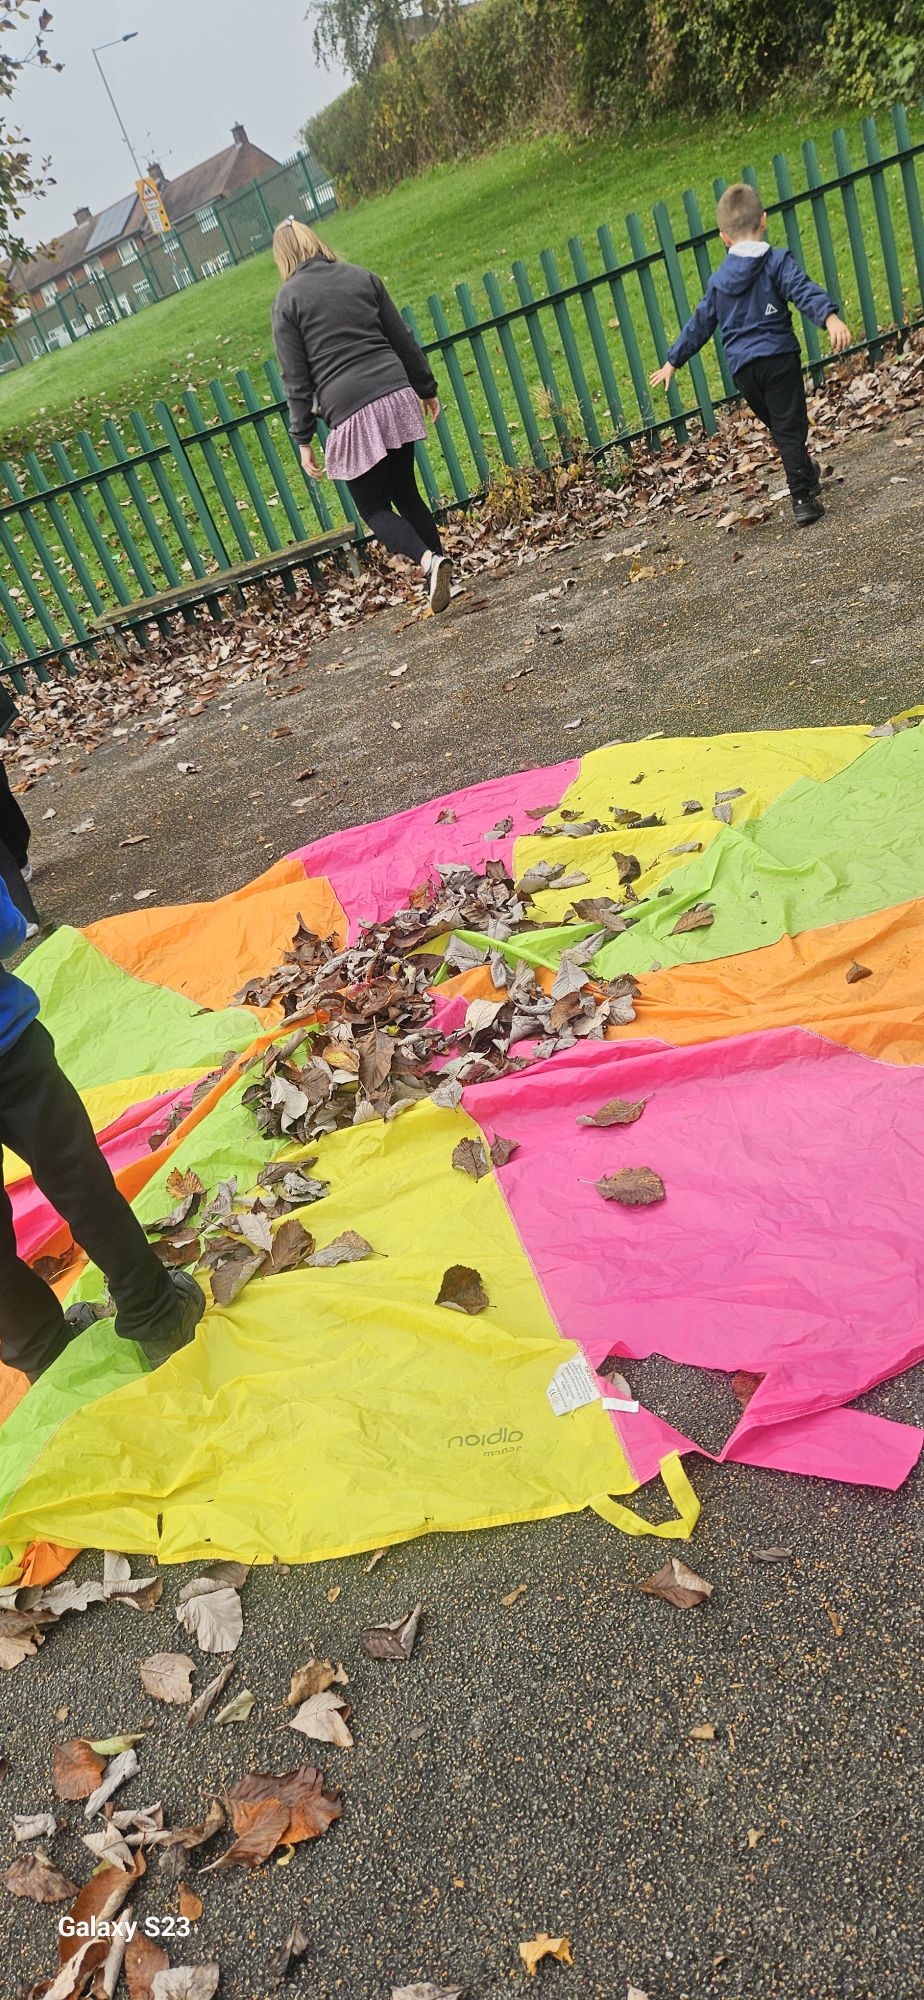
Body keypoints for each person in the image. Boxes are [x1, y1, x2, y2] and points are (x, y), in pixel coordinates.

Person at [0, 876, 205, 1383]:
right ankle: (157, 1315)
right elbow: (6, 928)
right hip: (11, 1053)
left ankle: (45, 1353)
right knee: (79, 1179)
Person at [271, 218, 453, 610]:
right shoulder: (360, 277)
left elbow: (296, 379)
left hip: (351, 409)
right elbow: (401, 337)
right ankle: (443, 578)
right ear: (315, 242)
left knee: (372, 508)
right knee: (406, 493)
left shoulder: (288, 302)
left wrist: (302, 438)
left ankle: (430, 562)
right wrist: (426, 388)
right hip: (394, 393)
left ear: (283, 258)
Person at [649, 182, 852, 526]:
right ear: (764, 220)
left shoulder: (718, 281)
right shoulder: (775, 261)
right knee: (789, 428)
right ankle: (802, 498)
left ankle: (803, 468)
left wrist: (673, 360)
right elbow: (802, 290)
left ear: (723, 238)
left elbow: (700, 323)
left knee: (782, 426)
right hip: (778, 359)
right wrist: (829, 318)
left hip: (744, 371)